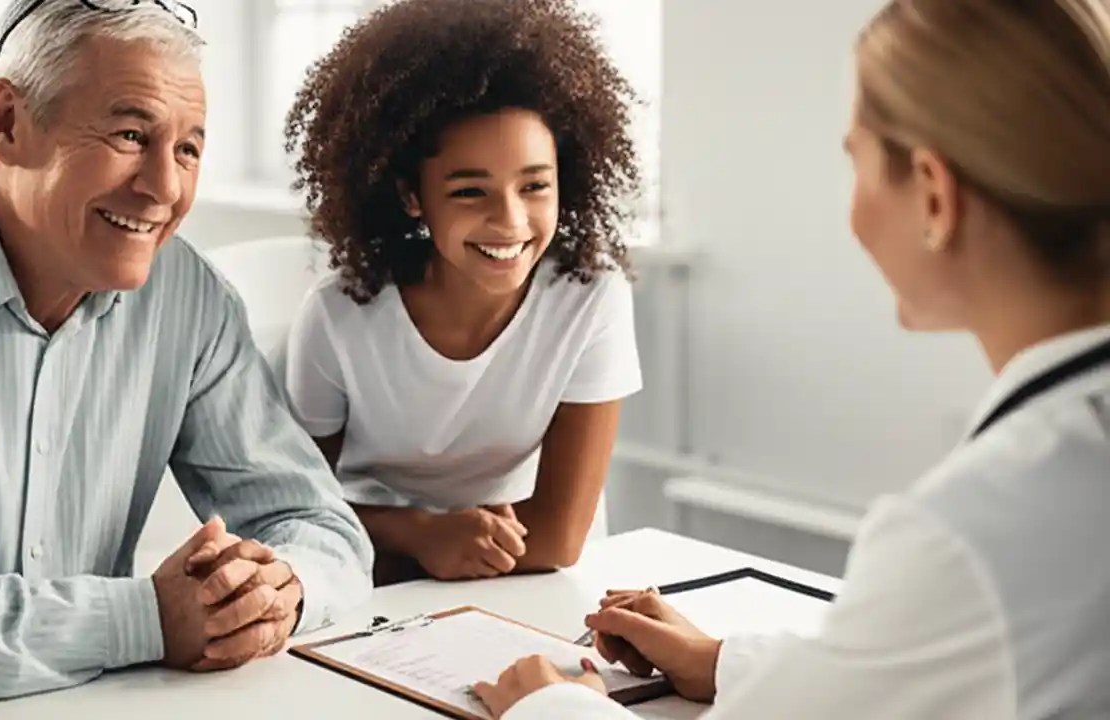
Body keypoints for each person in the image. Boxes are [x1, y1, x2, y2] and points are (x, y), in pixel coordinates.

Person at [475, 0, 1110, 717]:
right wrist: (726, 664)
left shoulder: (974, 532)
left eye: (858, 164)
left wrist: (554, 708)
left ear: (934, 196)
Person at [0, 0, 372, 701]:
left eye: (188, 148)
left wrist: (271, 590)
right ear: (7, 124)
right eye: (129, 134)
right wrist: (145, 618)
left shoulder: (188, 298)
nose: (165, 189)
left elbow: (322, 526)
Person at [281, 0, 643, 585]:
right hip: (372, 575)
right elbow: (290, 509)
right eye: (471, 192)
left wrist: (439, 543)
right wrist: (420, 533)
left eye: (535, 186)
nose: (510, 220)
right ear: (412, 197)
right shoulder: (338, 315)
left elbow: (557, 536)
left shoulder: (591, 299)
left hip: (531, 580)